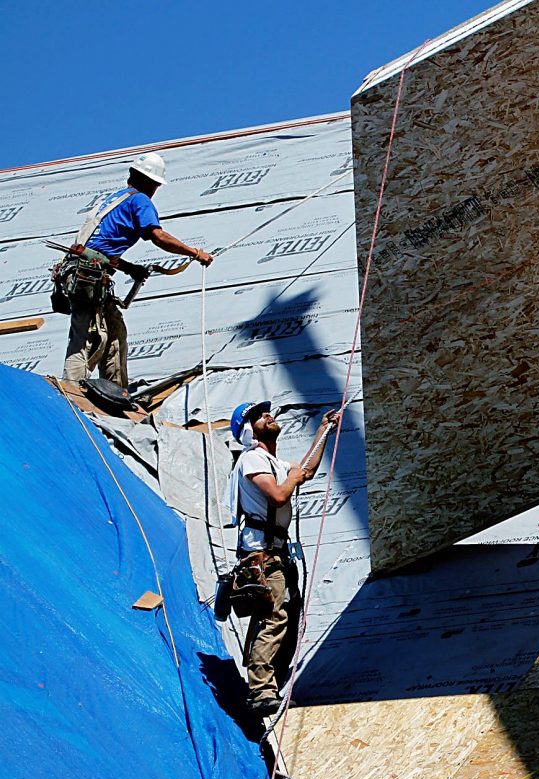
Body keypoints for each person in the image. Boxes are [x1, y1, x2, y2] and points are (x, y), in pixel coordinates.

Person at [60, 152, 214, 388]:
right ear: (150, 182)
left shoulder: (115, 200)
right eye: (155, 185)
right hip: (88, 277)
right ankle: (73, 393)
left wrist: (130, 268)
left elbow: (101, 250)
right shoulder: (139, 200)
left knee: (115, 334)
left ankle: (115, 392)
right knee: (90, 338)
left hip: (86, 273)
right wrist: (194, 253)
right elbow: (158, 236)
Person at [227, 400, 340, 716]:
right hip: (261, 557)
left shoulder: (272, 462)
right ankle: (260, 690)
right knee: (274, 616)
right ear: (249, 431)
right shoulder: (251, 459)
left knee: (289, 616)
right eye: (257, 416)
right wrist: (293, 477)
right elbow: (279, 494)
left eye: (265, 412)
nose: (267, 415)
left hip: (277, 555)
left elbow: (304, 470)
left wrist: (323, 430)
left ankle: (274, 680)